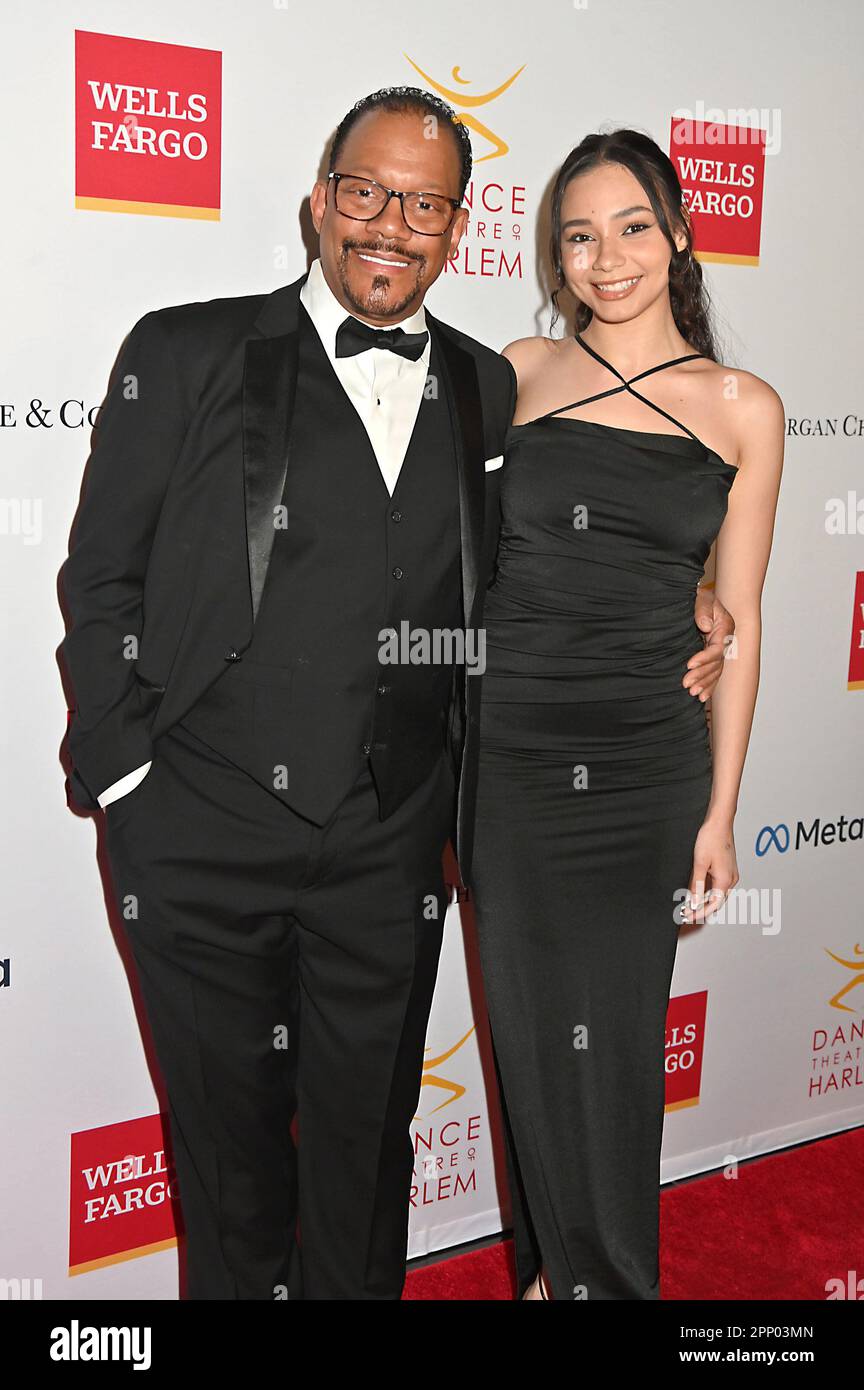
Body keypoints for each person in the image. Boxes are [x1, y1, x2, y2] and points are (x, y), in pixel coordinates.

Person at [59, 90, 731, 1300]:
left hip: (390, 836)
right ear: (322, 200)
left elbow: (580, 531)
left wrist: (688, 596)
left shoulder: (488, 383)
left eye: (424, 204)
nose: (390, 224)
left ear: (458, 228)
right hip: (198, 826)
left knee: (370, 1147)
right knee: (228, 1153)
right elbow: (99, 572)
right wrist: (125, 773)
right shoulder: (187, 349)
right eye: (366, 192)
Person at [469, 129, 783, 1301]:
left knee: (618, 1052)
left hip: (646, 764)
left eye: (634, 227)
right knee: (540, 1047)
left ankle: (603, 1284)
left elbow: (740, 619)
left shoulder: (744, 406)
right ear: (556, 254)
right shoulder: (520, 371)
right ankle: (562, 1279)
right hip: (508, 760)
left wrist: (721, 807)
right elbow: (450, 556)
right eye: (580, 236)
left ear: (682, 234)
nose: (609, 260)